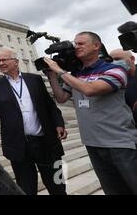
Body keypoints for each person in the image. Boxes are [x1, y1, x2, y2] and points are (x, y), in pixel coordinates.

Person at [0, 47, 67, 195]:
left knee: (57, 186)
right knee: (25, 189)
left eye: (4, 60)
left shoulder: (35, 80)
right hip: (19, 146)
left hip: (47, 143)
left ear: (16, 62)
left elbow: (50, 105)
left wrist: (59, 123)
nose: (0, 63)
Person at [44, 32, 137, 194]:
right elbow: (61, 98)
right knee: (113, 190)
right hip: (93, 144)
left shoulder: (115, 69)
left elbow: (90, 90)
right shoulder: (76, 75)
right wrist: (52, 76)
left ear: (97, 46)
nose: (76, 47)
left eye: (81, 43)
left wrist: (59, 70)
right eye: (75, 44)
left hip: (120, 143)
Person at [107, 49, 137, 124]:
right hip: (129, 126)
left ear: (132, 59)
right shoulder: (112, 79)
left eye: (117, 59)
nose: (114, 63)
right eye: (111, 60)